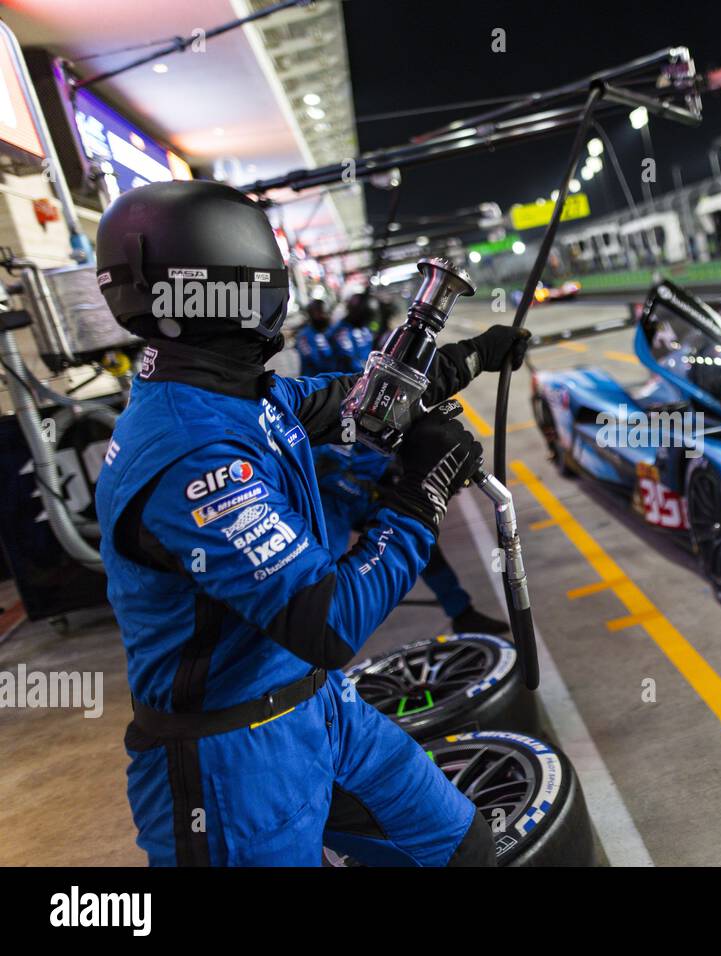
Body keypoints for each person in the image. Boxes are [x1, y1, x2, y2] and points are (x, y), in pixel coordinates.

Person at [93, 180, 526, 866]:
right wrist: (420, 494)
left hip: (319, 706)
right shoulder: (189, 448)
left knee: (460, 845)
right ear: (230, 290)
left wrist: (471, 355)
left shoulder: (226, 392)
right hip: (230, 765)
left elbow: (355, 401)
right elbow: (326, 622)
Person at [311, 291, 511, 634]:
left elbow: (381, 395)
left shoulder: (358, 348)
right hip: (330, 485)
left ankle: (460, 611)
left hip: (362, 467)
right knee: (318, 586)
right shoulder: (330, 346)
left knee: (417, 540)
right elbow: (365, 395)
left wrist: (473, 356)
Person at [294, 298, 336, 377]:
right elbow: (316, 361)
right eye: (320, 313)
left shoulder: (332, 330)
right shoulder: (304, 336)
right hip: (313, 381)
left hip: (334, 378)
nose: (324, 315)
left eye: (325, 312)